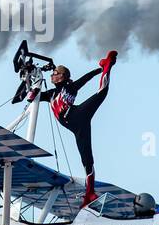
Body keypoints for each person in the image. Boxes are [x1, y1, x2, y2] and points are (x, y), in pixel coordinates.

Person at [40, 50, 118, 208]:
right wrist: (30, 84)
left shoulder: (70, 87)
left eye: (54, 73)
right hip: (78, 128)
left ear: (62, 76)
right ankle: (89, 193)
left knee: (102, 92)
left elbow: (84, 79)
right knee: (87, 160)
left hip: (78, 115)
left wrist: (99, 70)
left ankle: (108, 65)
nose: (52, 76)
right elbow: (25, 98)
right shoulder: (50, 94)